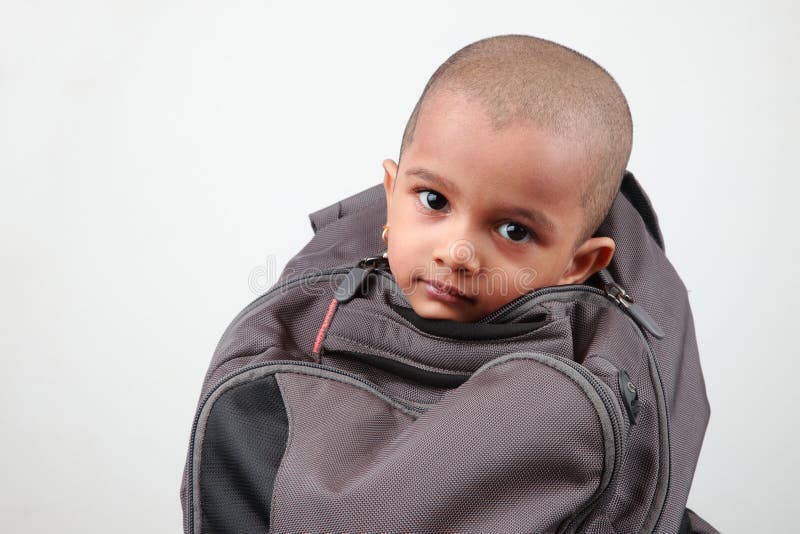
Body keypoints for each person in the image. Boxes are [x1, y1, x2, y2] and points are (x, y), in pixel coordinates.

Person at [380, 34, 631, 323]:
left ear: (576, 264)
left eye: (515, 231)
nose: (455, 254)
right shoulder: (328, 291)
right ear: (392, 191)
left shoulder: (585, 360)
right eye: (435, 201)